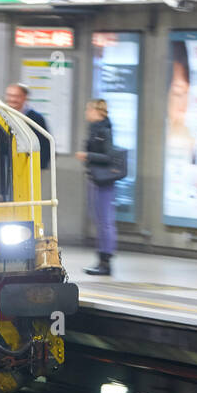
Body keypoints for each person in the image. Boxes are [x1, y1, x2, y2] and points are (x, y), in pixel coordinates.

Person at [76, 99, 116, 276]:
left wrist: (88, 155)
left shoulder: (104, 130)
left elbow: (108, 156)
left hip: (104, 181)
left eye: (88, 109)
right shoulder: (96, 129)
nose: (86, 113)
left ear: (97, 111)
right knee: (100, 220)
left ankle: (105, 262)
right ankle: (101, 260)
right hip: (96, 179)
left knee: (105, 222)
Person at [5, 83, 50, 169]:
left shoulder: (36, 119)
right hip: (6, 166)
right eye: (10, 95)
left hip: (28, 168)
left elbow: (45, 144)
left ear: (25, 97)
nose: (12, 99)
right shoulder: (0, 114)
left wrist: (38, 166)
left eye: (16, 96)